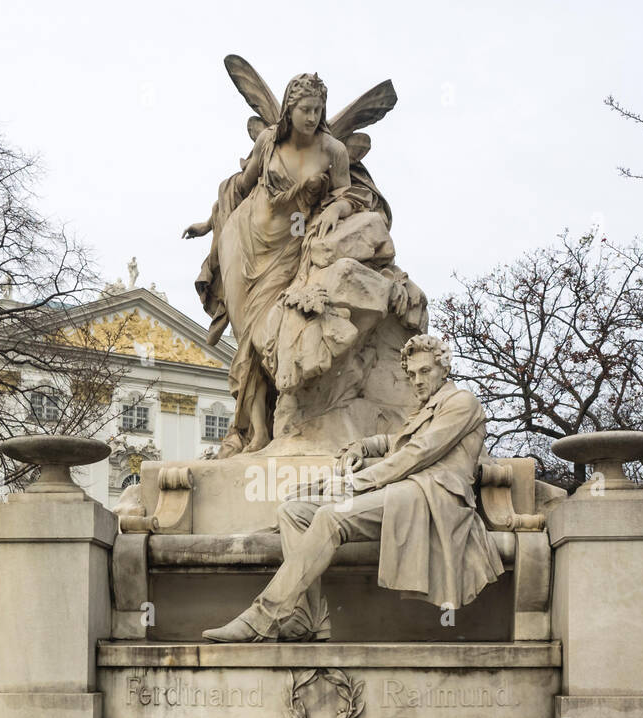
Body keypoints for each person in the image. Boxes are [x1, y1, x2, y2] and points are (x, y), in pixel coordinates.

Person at [202, 334, 504, 642]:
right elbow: (399, 442)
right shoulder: (427, 409)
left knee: (330, 517)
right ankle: (307, 617)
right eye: (411, 374)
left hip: (431, 497)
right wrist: (364, 445)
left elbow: (418, 453)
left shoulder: (461, 403)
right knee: (293, 511)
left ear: (444, 368)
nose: (417, 380)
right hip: (405, 489)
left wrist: (352, 483)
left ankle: (265, 616)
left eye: (425, 371)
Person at [183, 71, 383, 457]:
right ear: (289, 109)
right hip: (243, 241)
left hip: (289, 248)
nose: (311, 116)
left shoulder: (332, 151)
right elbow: (240, 187)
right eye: (305, 109)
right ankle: (252, 432)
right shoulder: (268, 142)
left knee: (265, 337)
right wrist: (210, 223)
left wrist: (337, 207)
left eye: (317, 109)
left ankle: (260, 432)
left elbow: (351, 194)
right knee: (246, 340)